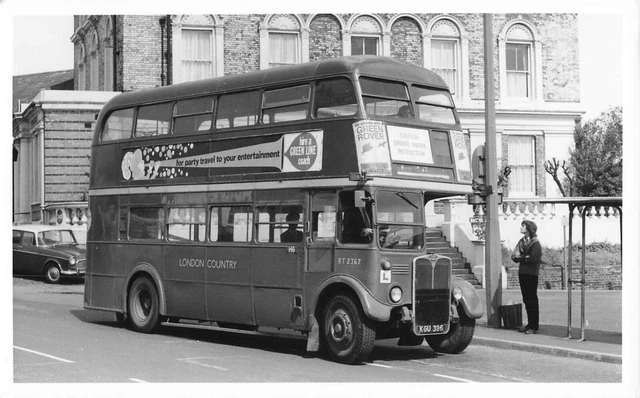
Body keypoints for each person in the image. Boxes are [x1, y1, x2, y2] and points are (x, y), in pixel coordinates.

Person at [511, 220, 542, 334]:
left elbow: (533, 258)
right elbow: (514, 255)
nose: (521, 228)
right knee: (526, 299)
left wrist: (522, 257)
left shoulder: (535, 243)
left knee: (532, 299)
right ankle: (529, 323)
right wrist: (525, 257)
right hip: (523, 272)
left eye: (523, 226)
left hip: (532, 273)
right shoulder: (522, 241)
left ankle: (534, 325)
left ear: (529, 229)